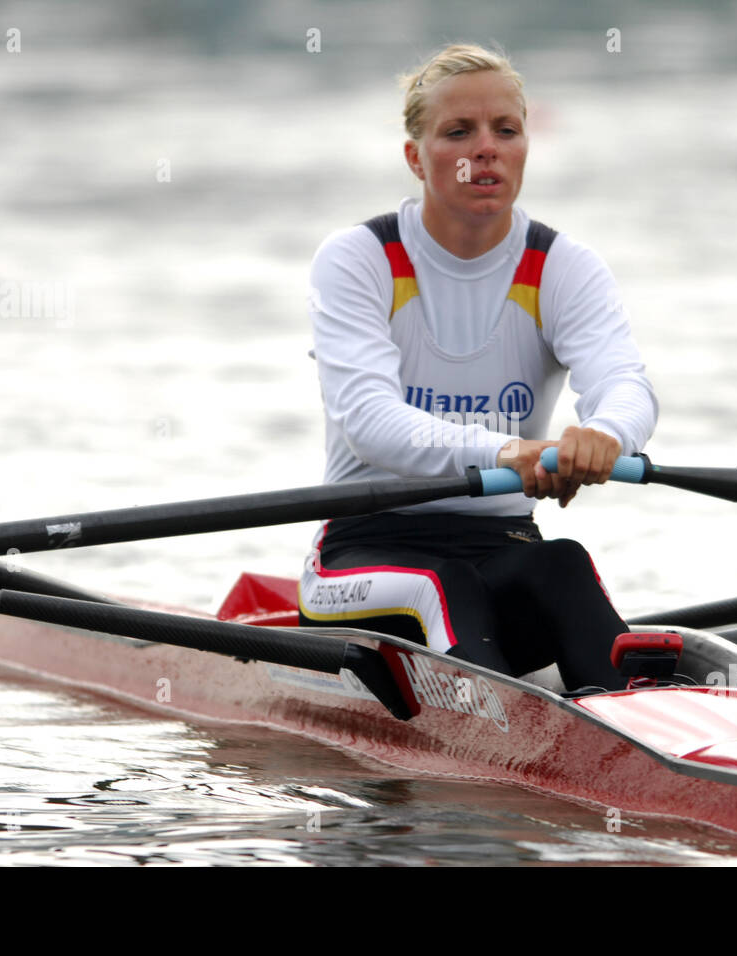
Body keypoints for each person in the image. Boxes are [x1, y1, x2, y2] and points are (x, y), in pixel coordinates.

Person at [299, 43, 657, 691]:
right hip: (363, 557)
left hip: (505, 548)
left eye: (506, 130)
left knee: (563, 565)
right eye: (459, 132)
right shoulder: (361, 258)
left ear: (525, 147)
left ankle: (643, 726)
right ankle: (520, 745)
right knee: (444, 587)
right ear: (415, 156)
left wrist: (606, 436)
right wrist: (509, 451)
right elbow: (371, 425)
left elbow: (625, 386)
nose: (485, 148)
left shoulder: (563, 266)